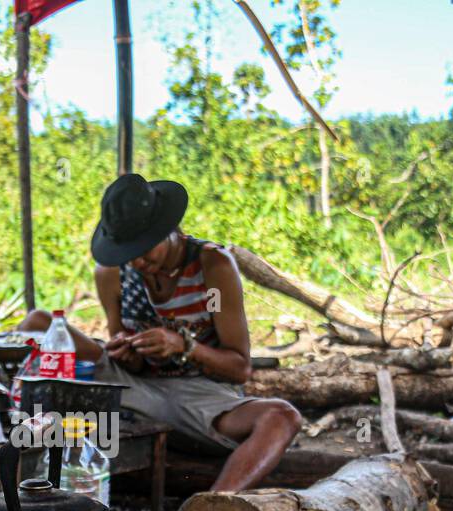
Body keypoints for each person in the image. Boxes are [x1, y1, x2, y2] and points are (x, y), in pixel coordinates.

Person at [19, 173, 301, 491]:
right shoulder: (111, 272)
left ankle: (213, 505)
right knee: (37, 323)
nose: (138, 261)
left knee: (281, 417)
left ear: (169, 229)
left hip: (198, 393)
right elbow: (120, 345)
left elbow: (239, 369)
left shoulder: (213, 265)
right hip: (128, 387)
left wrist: (184, 346)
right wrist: (126, 353)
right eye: (129, 252)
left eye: (145, 248)